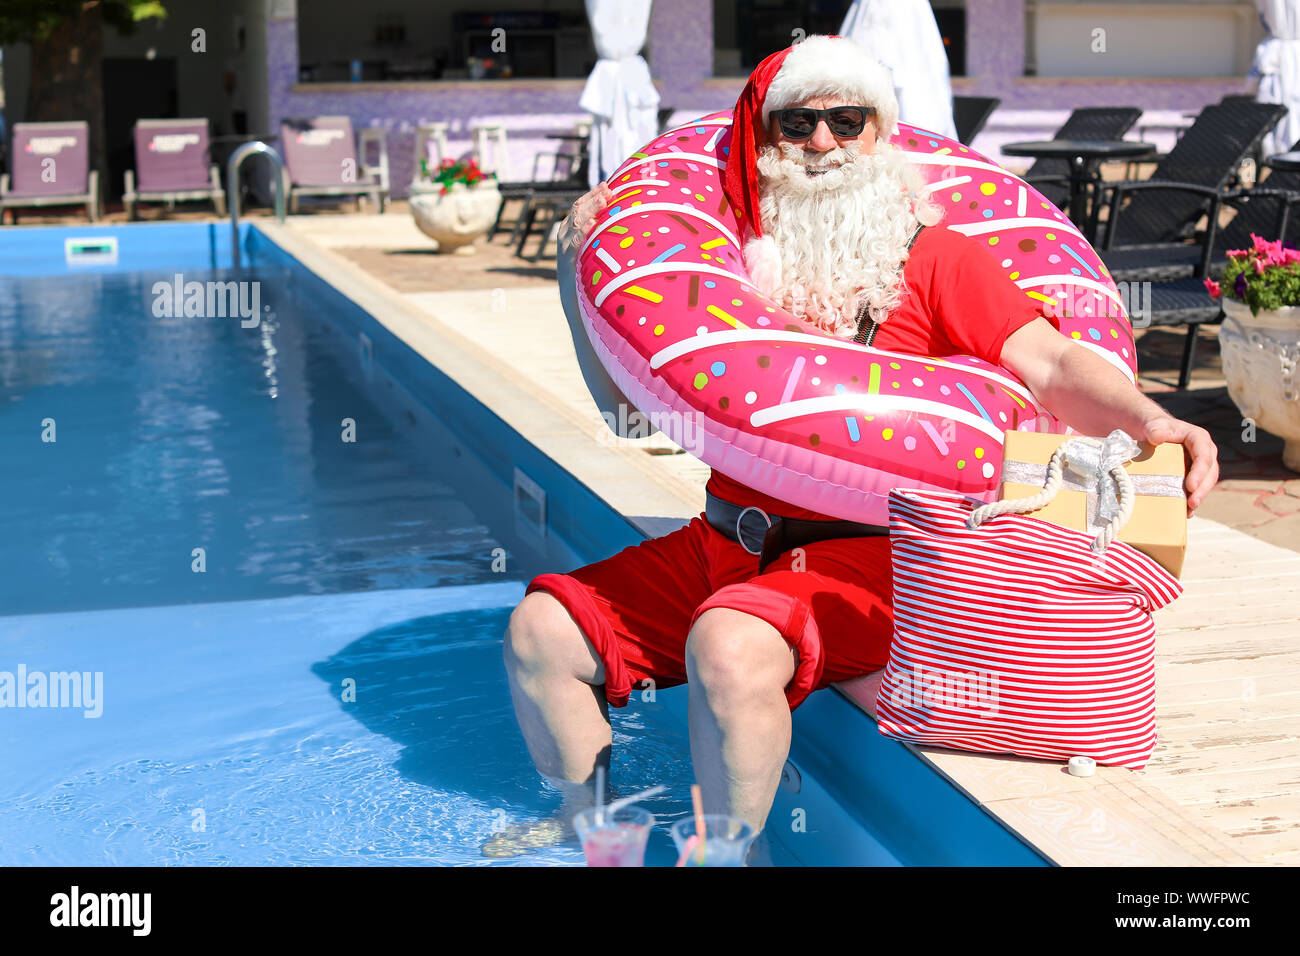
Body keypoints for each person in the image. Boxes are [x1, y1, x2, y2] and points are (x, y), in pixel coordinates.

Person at [485, 35, 1219, 858]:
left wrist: (1149, 421)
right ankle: (591, 825)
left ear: (883, 135)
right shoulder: (731, 266)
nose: (823, 143)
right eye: (797, 122)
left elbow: (1051, 362)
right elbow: (634, 419)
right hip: (726, 543)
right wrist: (581, 264)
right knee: (538, 632)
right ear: (761, 146)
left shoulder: (939, 258)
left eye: (848, 120)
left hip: (869, 559)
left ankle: (727, 853)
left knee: (727, 646)